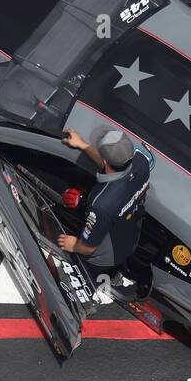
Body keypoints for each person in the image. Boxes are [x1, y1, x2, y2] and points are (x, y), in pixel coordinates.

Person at [58, 125, 153, 297]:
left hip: (107, 254)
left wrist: (73, 245)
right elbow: (110, 164)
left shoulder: (101, 203)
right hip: (132, 234)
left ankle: (85, 293)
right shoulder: (141, 162)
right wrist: (82, 144)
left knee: (81, 274)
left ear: (105, 161)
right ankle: (115, 274)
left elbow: (88, 248)